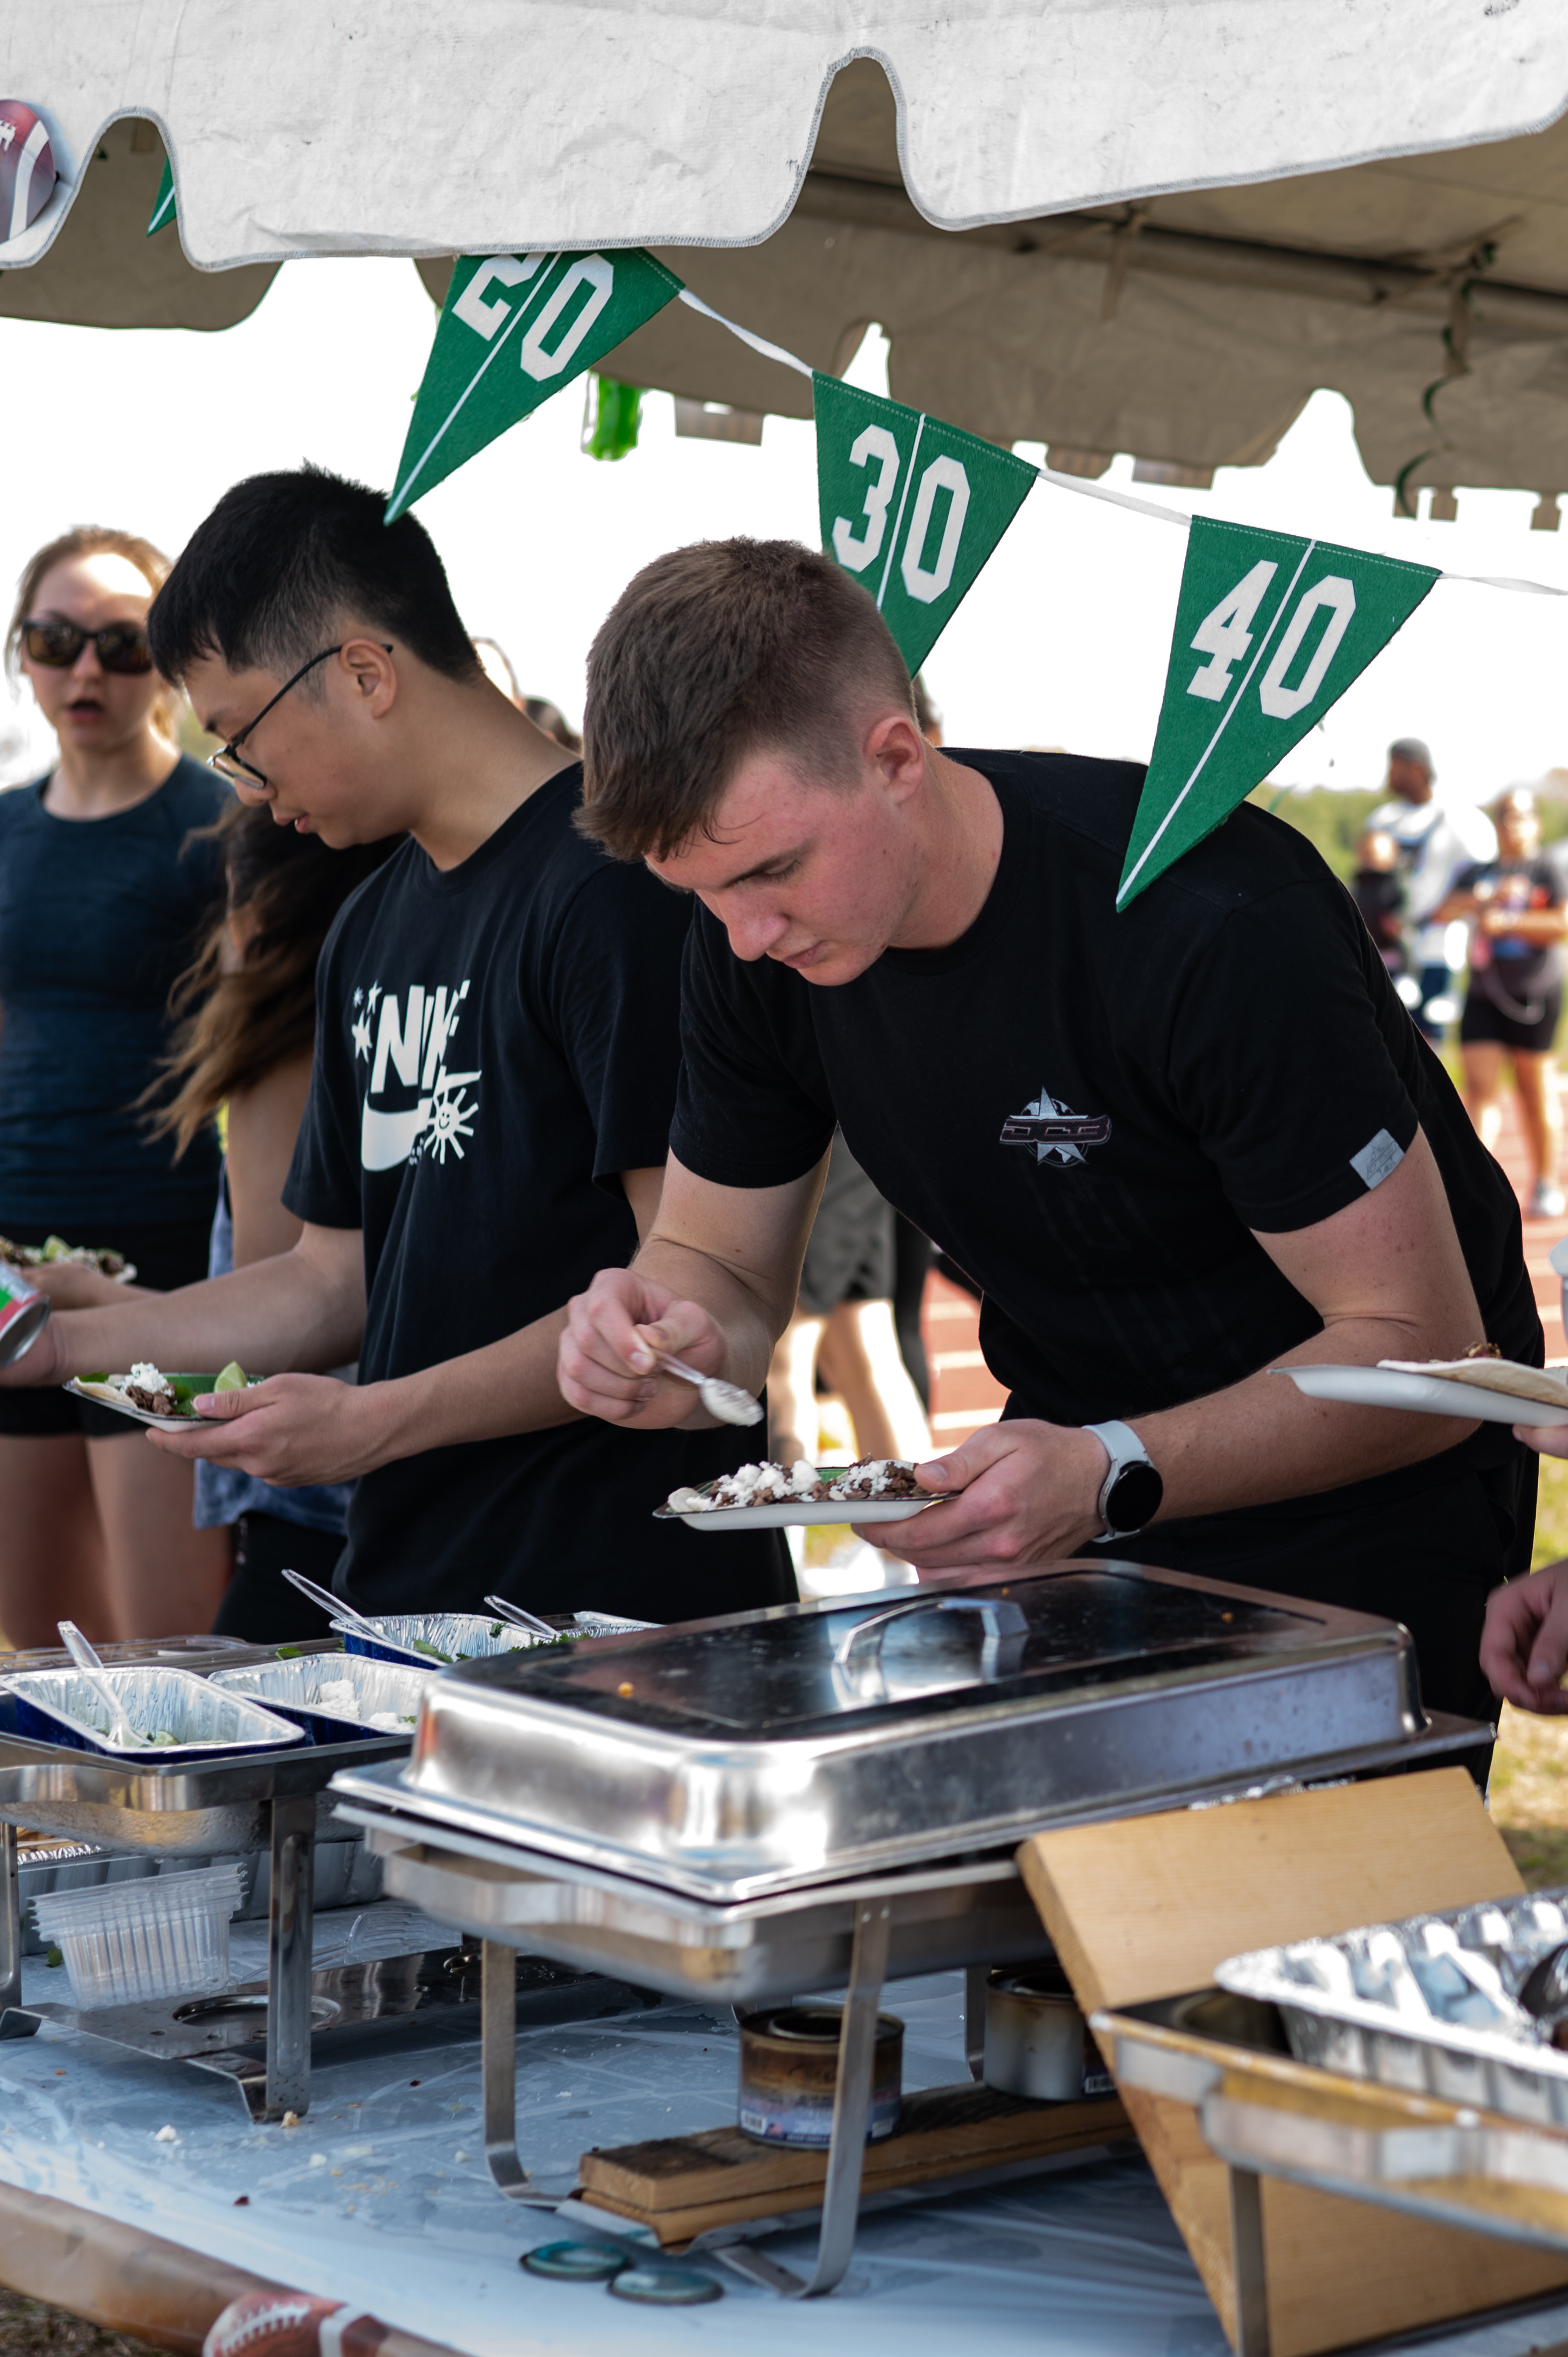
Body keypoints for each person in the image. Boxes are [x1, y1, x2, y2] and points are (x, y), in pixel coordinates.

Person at [556, 537, 1540, 1728]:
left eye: (773, 870)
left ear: (896, 757)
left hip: (1357, 1508)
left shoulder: (1209, 924)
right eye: (698, 892)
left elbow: (1419, 1349)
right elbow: (714, 1256)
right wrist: (666, 1331)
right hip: (1065, 1488)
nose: (745, 932)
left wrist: (1113, 1466)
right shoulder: (752, 944)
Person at [0, 470, 791, 1629]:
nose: (254, 793)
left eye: (243, 738)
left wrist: (375, 1418)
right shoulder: (371, 921)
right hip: (408, 1592)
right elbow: (329, 1278)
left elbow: (684, 1297)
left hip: (617, 1611)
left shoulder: (620, 896)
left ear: (365, 672)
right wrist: (60, 1343)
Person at [0, 526, 231, 1647]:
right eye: (55, 640)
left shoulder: (224, 829)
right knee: (44, 1661)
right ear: (22, 654)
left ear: (169, 664)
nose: (85, 670)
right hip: (15, 1262)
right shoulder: (1, 829)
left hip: (164, 1259)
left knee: (170, 1657)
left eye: (121, 644)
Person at [157, 801, 400, 1639]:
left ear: (256, 911)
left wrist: (77, 1336)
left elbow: (285, 1303)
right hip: (391, 1491)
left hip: (314, 1498)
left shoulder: (281, 1060)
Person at [1437, 787, 1567, 1220]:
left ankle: (1546, 1181)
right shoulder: (1480, 872)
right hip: (1482, 994)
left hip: (1534, 994)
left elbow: (1562, 923)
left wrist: (1509, 920)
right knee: (1480, 1091)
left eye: (1521, 815)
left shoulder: (1548, 867)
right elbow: (1441, 911)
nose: (1512, 823)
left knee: (1533, 1089)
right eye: (1505, 815)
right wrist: (1479, 901)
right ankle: (1478, 1189)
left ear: (1536, 823)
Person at [1367, 737, 1495, 1043]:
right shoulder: (1384, 819)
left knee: (1426, 1042)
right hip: (1390, 946)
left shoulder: (1461, 818)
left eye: (1395, 767)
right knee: (1387, 1036)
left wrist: (1440, 911)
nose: (1389, 776)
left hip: (1439, 946)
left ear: (1416, 768)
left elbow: (1483, 882)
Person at [1350, 826, 1409, 984]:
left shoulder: (1396, 884)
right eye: (1366, 853)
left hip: (1394, 960)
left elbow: (1405, 912)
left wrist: (1398, 921)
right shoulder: (1358, 884)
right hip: (1364, 959)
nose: (1368, 858)